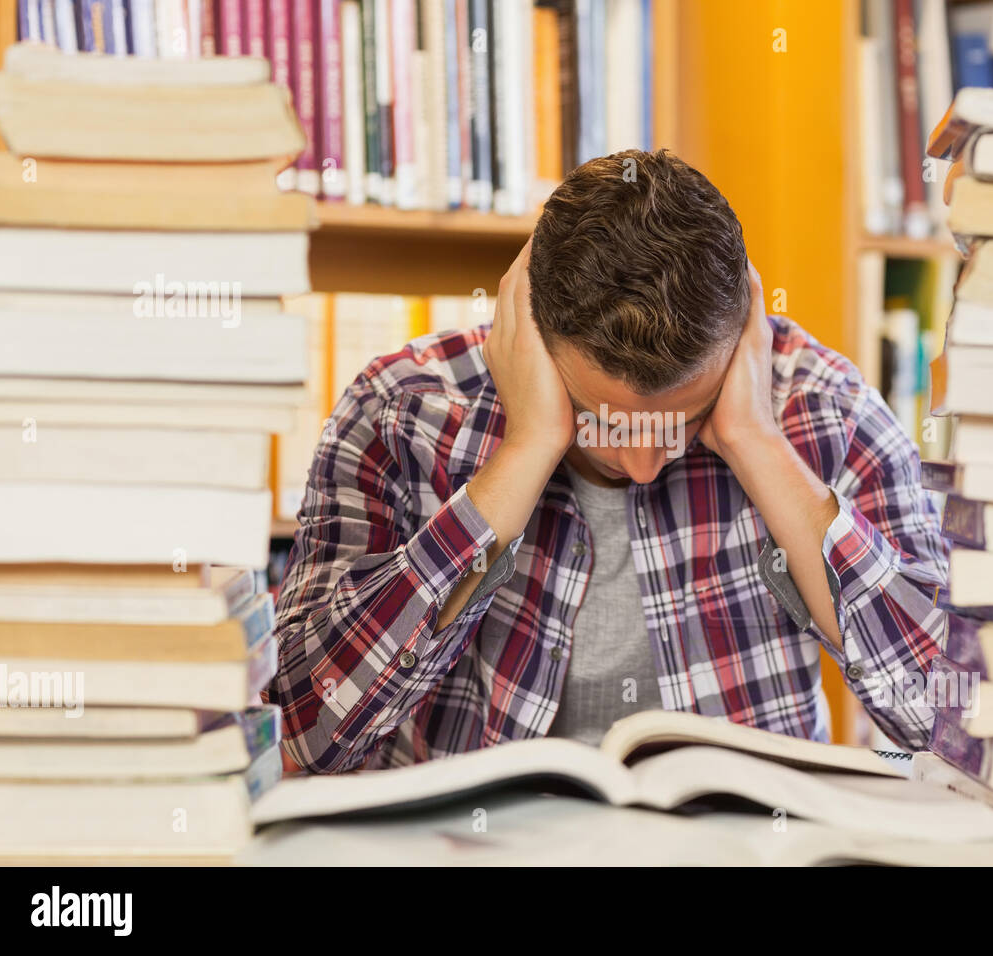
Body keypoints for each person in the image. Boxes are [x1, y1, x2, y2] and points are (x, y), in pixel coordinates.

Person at [270, 149, 949, 772]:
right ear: (527, 329)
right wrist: (525, 451)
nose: (645, 464)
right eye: (599, 418)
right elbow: (308, 734)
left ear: (743, 334)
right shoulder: (402, 410)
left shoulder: (823, 407)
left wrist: (757, 443)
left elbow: (946, 720)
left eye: (685, 419)